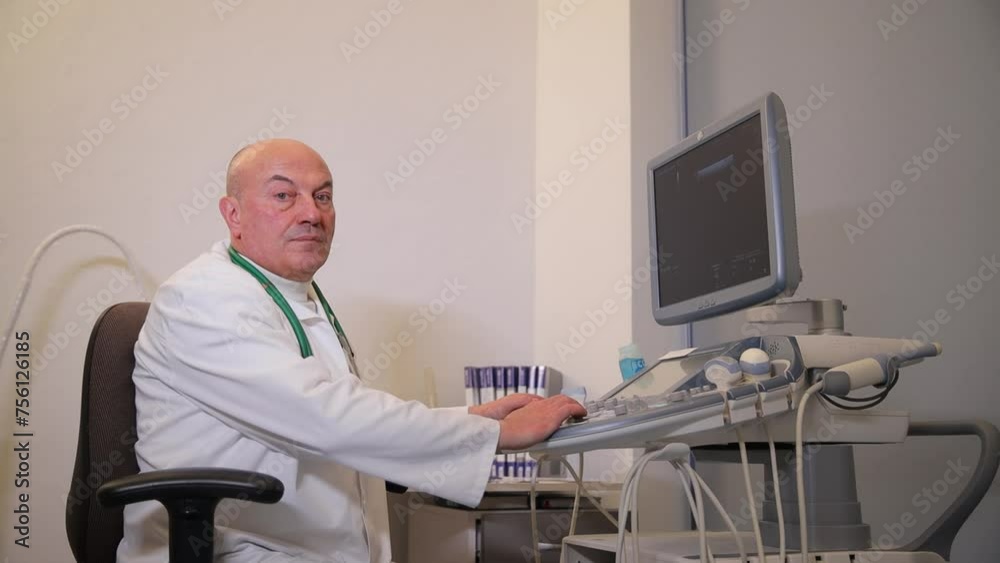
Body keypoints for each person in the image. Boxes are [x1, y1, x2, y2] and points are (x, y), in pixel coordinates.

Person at [117, 139, 585, 562]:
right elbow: (326, 416)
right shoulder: (202, 297)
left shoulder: (294, 294)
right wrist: (498, 436)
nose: (311, 213)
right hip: (237, 550)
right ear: (233, 214)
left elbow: (340, 417)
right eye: (284, 196)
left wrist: (474, 418)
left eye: (323, 196)